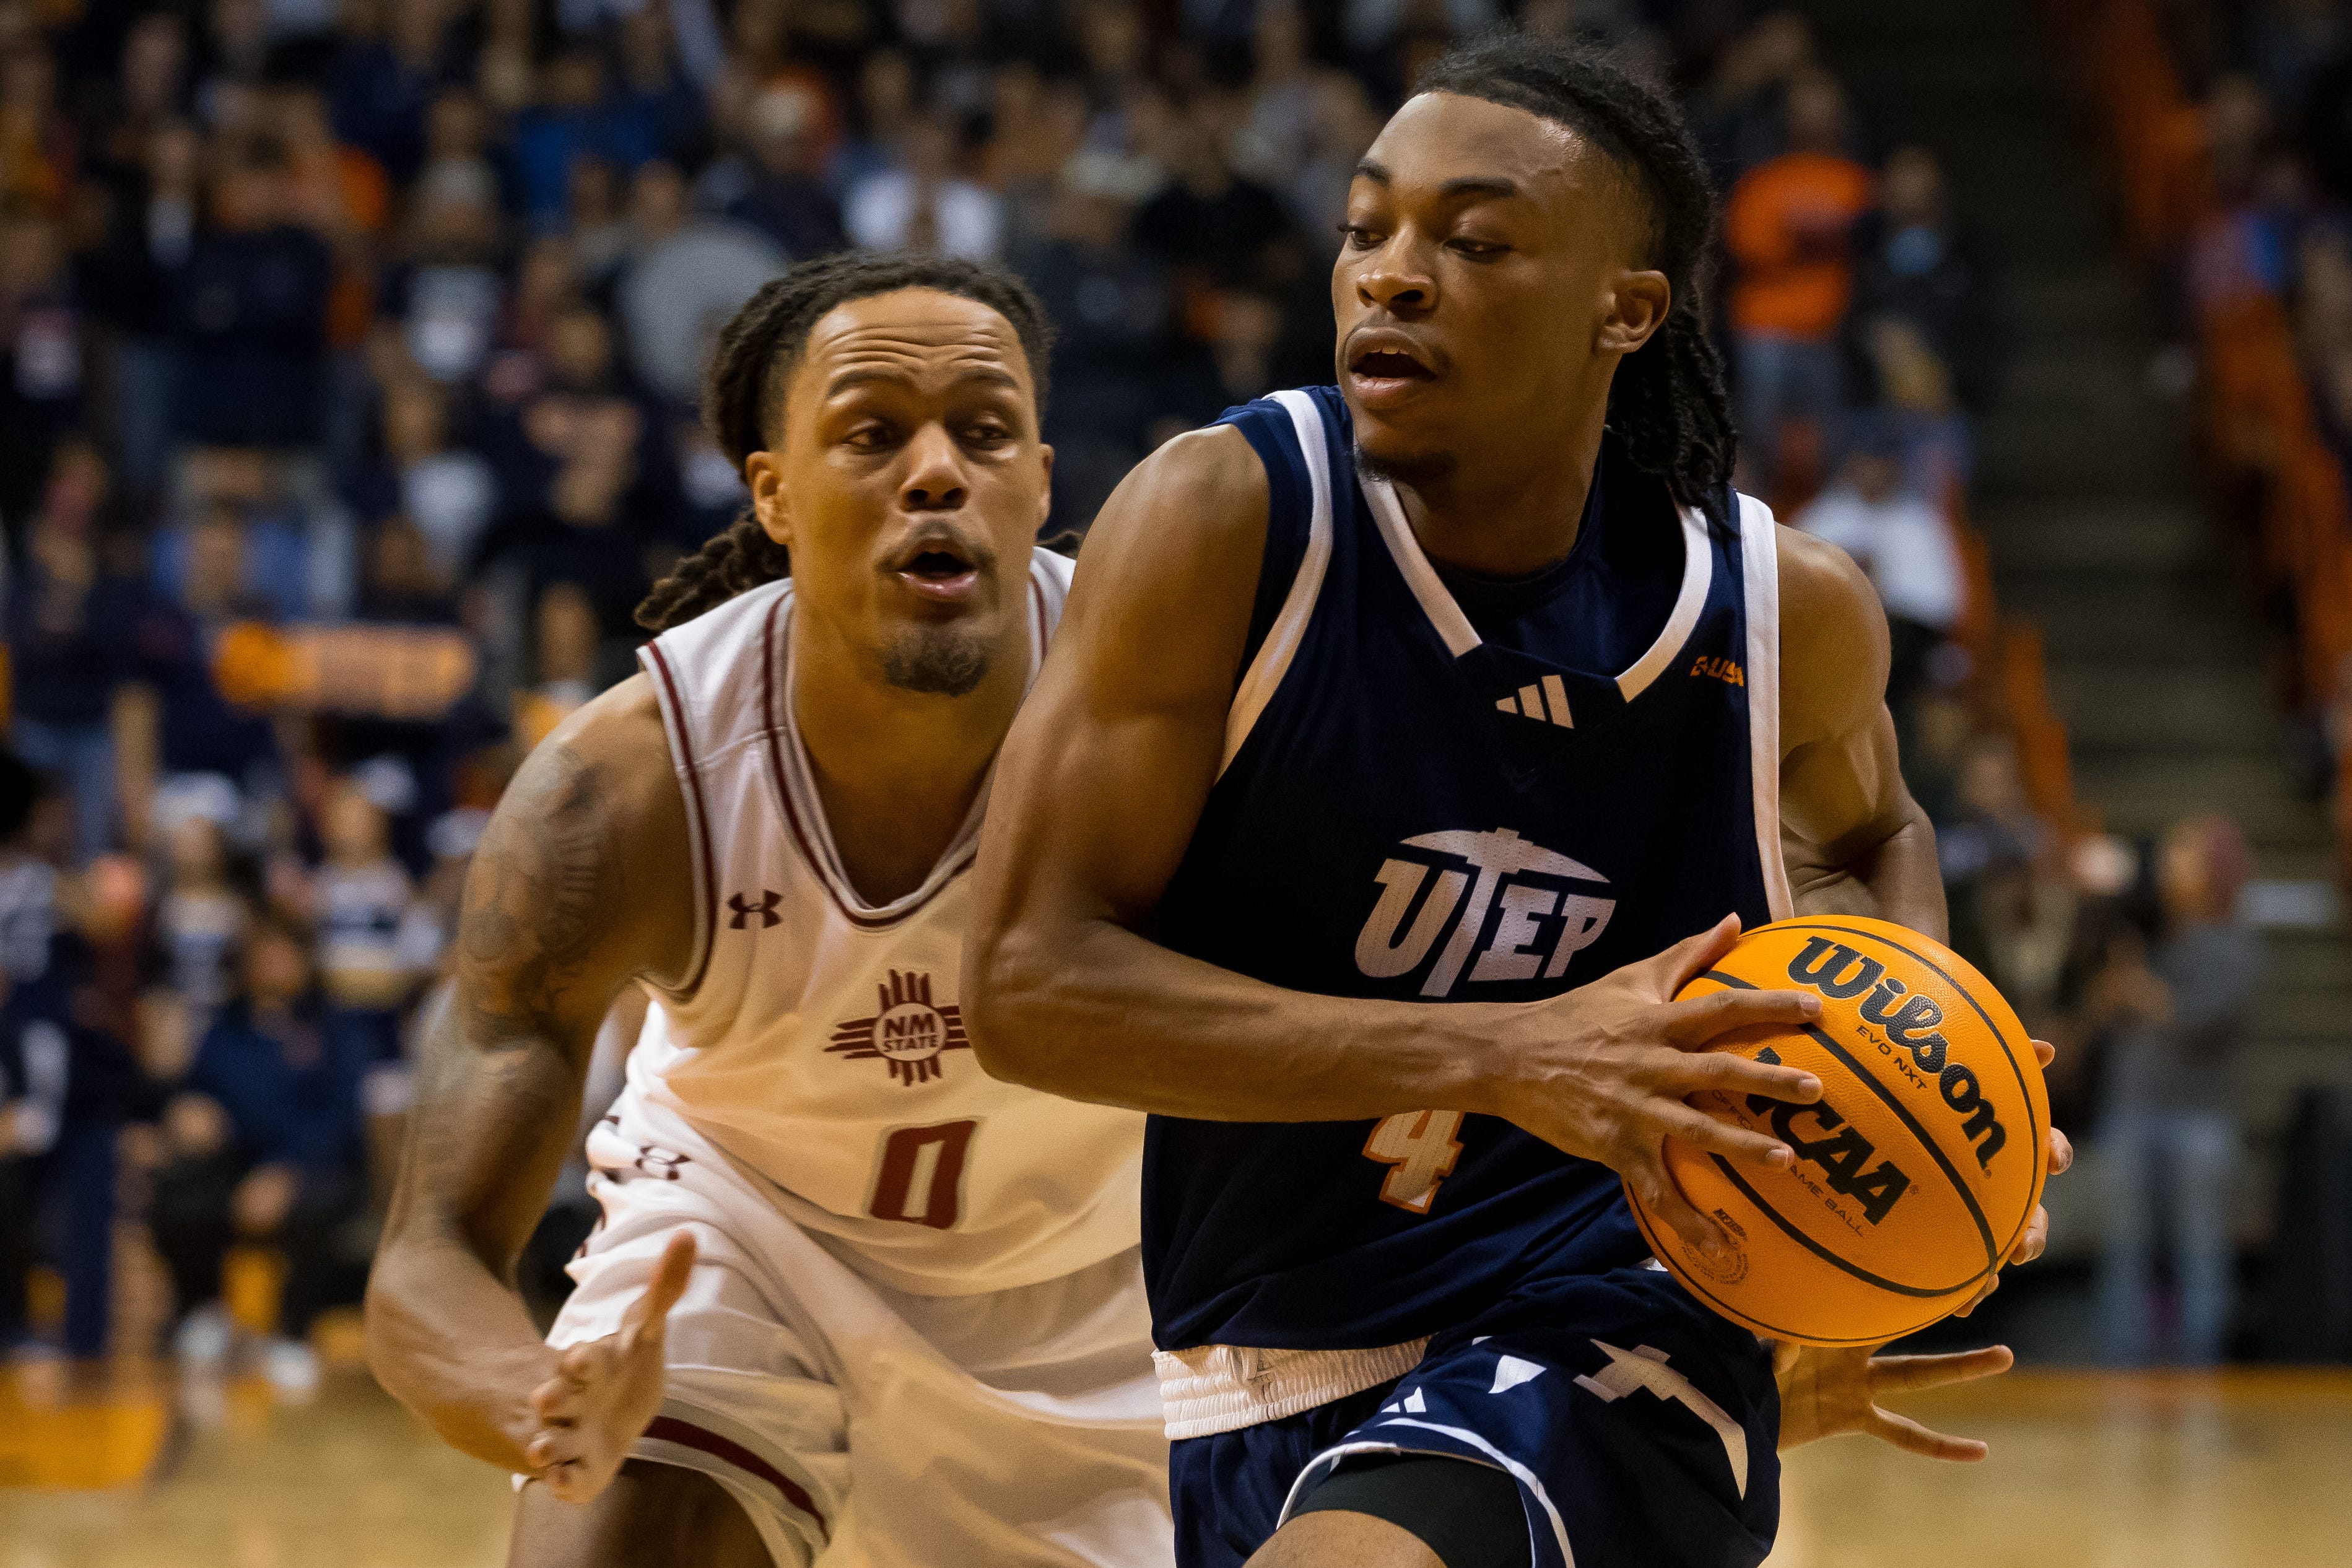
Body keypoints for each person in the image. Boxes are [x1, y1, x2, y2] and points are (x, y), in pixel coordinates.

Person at [967, 37, 2070, 1568]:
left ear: (1625, 307)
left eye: (1472, 241)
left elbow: (1873, 834)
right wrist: (1506, 1052)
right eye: (1366, 230)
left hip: (1621, 1317)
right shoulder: (1226, 521)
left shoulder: (1777, 612)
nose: (1389, 276)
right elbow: (1022, 986)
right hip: (1248, 1361)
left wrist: (1900, 1047)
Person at [364, 252, 1170, 1568]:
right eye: (871, 434)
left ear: (1039, 482)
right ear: (774, 493)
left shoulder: (1177, 711)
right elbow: (429, 1257)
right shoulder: (621, 792)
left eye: (984, 432)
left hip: (1110, 1302)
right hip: (747, 1251)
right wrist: (545, 1405)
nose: (934, 471)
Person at [2088, 814, 2262, 1367]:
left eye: (2183, 851)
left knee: (2200, 1251)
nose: (2168, 863)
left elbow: (2196, 1019)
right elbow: (2105, 1014)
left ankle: (2199, 1367)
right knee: (2123, 1249)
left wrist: (2138, 989)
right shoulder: (2151, 930)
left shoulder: (2235, 943)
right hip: (2133, 1109)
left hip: (2198, 1120)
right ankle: (2120, 1365)